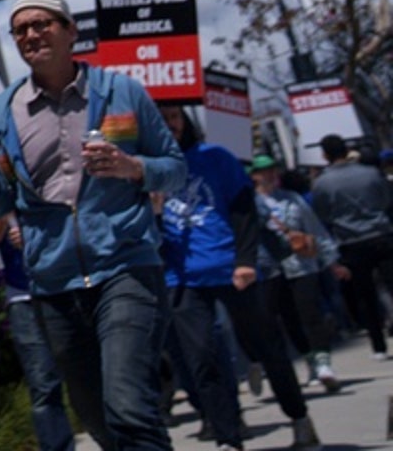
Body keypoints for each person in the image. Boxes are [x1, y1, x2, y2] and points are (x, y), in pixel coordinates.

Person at [0, 0, 185, 451]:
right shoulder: (2, 115)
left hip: (126, 268)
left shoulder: (122, 94)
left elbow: (175, 168)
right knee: (94, 415)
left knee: (128, 407)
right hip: (52, 283)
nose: (30, 35)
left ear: (70, 30)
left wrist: (134, 167)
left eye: (41, 23)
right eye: (20, 29)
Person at [154, 104, 319, 450]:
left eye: (174, 116)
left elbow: (244, 211)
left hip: (232, 269)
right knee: (202, 360)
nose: (169, 124)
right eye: (160, 118)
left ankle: (299, 416)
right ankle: (227, 437)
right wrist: (153, 210)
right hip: (181, 279)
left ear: (185, 121)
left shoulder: (215, 157)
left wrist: (245, 261)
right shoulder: (142, 169)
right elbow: (146, 235)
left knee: (267, 347)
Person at [251, 155, 344, 393]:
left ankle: (324, 365)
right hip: (270, 269)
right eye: (263, 172)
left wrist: (330, 260)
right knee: (287, 319)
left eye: (272, 170)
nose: (270, 175)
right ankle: (309, 359)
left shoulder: (291, 200)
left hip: (301, 265)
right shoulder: (250, 204)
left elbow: (314, 228)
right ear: (254, 176)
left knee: (310, 312)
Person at [0, 216, 75, 451]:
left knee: (90, 377)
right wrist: (0, 221)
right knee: (43, 385)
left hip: (69, 287)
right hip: (22, 296)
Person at [309, 132, 393, 361]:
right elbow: (386, 199)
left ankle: (378, 346)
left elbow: (322, 214)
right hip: (382, 235)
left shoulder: (322, 183)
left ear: (325, 155)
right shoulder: (371, 173)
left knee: (366, 296)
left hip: (351, 242)